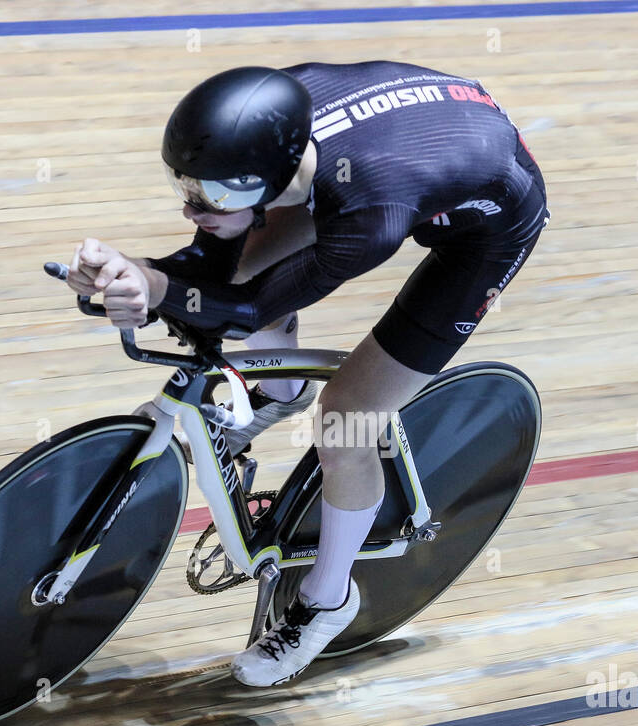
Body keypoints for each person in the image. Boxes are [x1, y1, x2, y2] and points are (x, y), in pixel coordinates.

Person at [65, 62, 548, 687]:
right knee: (231, 265)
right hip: (411, 151)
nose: (192, 209)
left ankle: (327, 599)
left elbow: (248, 311)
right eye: (184, 185)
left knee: (347, 421)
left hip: (487, 227)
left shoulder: (370, 210)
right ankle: (281, 391)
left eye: (214, 196)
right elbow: (207, 265)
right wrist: (133, 276)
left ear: (269, 176)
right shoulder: (269, 118)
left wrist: (148, 282)